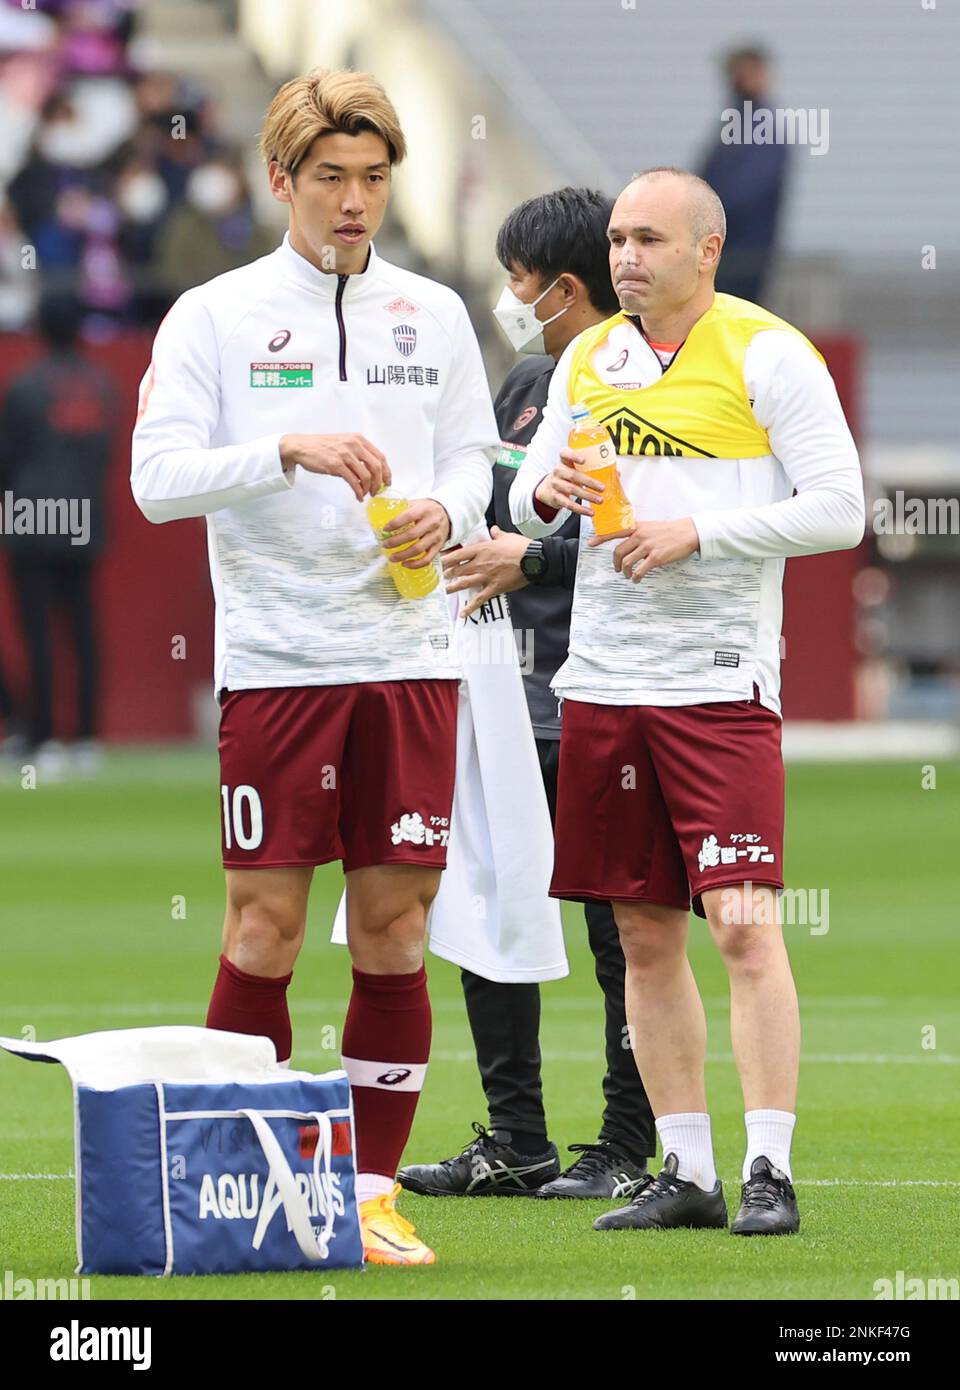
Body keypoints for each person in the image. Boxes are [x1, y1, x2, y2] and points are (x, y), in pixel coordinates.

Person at [131, 68, 499, 1266]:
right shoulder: (214, 316)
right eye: (331, 178)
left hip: (408, 660)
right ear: (279, 179)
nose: (355, 202)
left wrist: (440, 513)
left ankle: (371, 1189)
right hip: (280, 665)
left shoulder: (434, 313)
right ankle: (238, 1188)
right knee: (264, 933)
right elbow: (155, 480)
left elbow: (470, 461)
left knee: (395, 930)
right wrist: (279, 446)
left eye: (375, 178)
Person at [510, 167, 865, 1235]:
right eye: (618, 238)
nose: (625, 257)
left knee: (746, 926)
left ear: (707, 249)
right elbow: (528, 492)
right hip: (607, 685)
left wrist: (698, 532)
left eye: (650, 239)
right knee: (644, 935)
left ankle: (769, 1167)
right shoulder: (589, 355)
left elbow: (842, 510)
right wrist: (549, 492)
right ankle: (689, 1168)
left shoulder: (768, 351)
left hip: (719, 682)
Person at [399, 188, 655, 1201]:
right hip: (511, 688)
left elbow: (649, 537)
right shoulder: (526, 381)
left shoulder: (644, 386)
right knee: (490, 897)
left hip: (612, 681)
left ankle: (627, 1141)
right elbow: (495, 508)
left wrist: (534, 563)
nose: (509, 299)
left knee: (621, 928)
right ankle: (517, 1137)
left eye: (516, 282)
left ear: (562, 287)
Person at [0, 289, 115, 776]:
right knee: (83, 629)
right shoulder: (104, 386)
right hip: (83, 516)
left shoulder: (25, 386)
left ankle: (43, 736)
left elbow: (7, 459)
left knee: (38, 631)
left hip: (30, 518)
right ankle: (87, 737)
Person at [699, 46, 789, 304]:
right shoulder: (737, 120)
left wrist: (707, 213)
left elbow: (748, 189)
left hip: (744, 251)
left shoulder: (761, 124)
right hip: (725, 247)